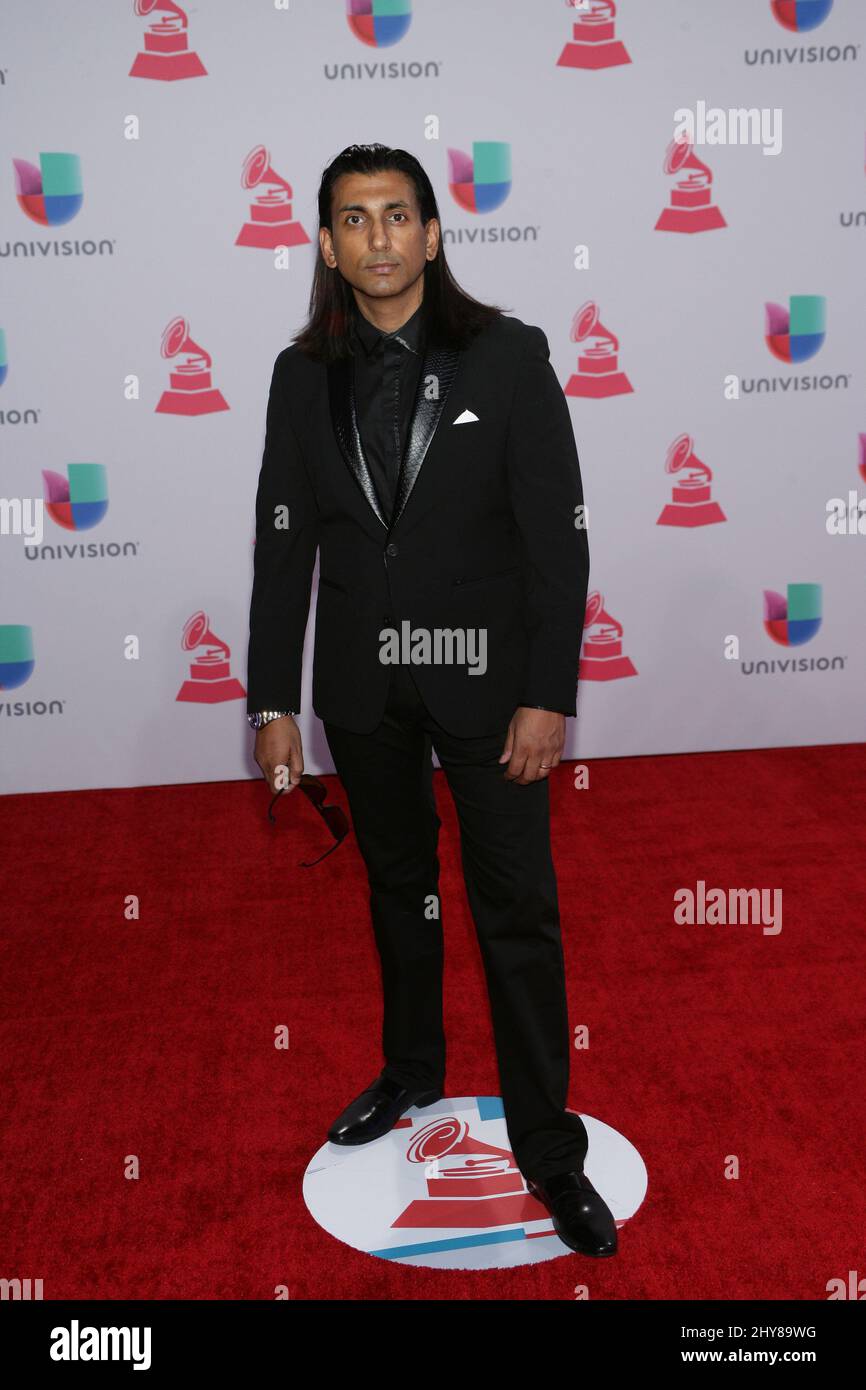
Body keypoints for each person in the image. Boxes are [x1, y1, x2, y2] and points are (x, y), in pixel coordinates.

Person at [246, 143, 616, 1257]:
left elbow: (557, 544)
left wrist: (547, 696)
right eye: (353, 219)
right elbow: (281, 548)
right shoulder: (296, 375)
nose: (378, 236)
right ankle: (411, 1071)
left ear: (432, 233)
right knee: (399, 891)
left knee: (515, 910)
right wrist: (271, 698)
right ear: (326, 243)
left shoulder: (506, 358)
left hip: (490, 691)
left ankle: (549, 1149)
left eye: (397, 214)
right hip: (363, 694)